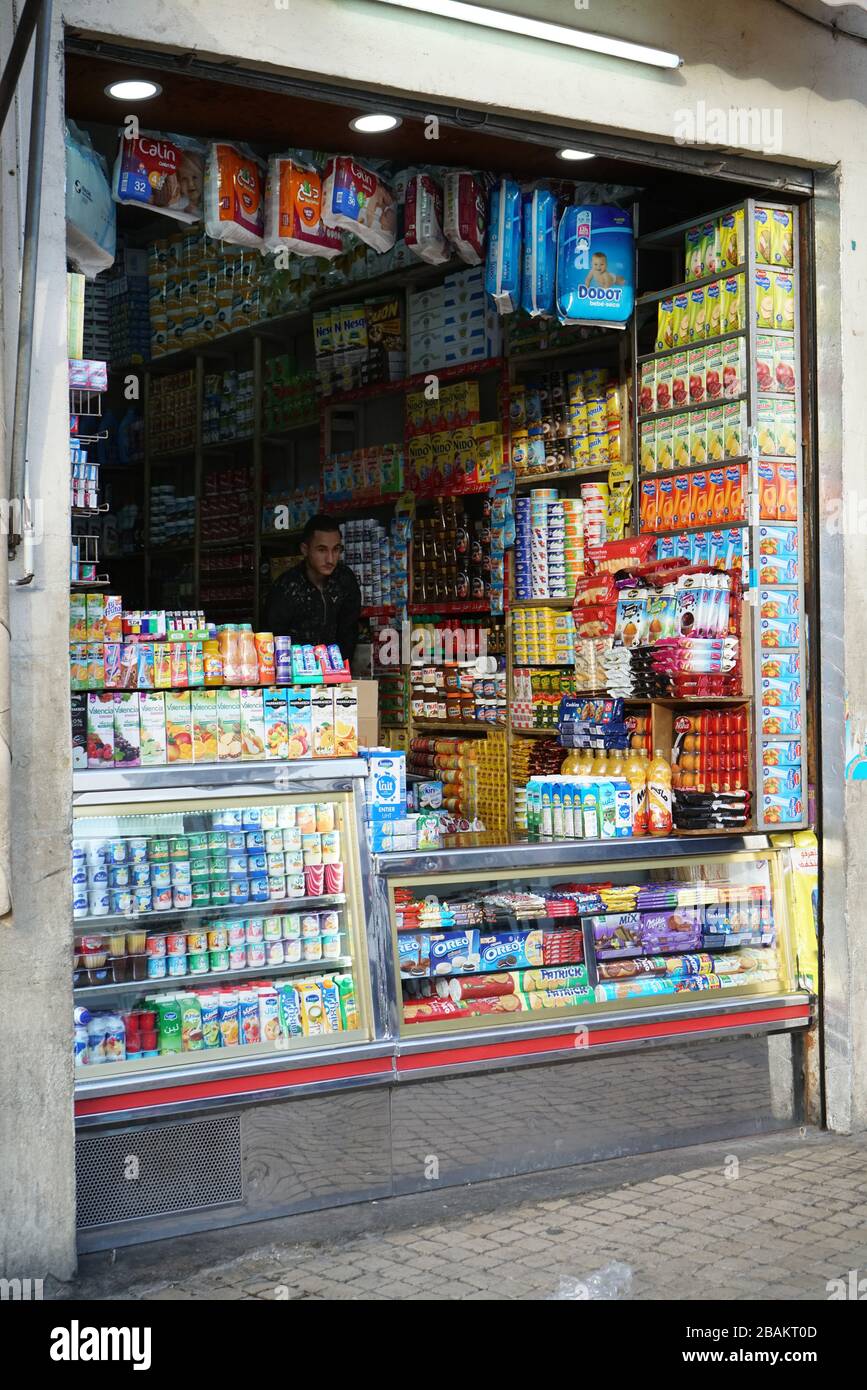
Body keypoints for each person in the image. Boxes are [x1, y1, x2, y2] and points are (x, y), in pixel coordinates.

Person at [263, 514, 362, 664]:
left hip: (335, 675)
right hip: (294, 678)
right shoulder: (287, 587)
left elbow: (349, 633)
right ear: (305, 549)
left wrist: (340, 672)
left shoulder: (345, 580)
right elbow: (270, 639)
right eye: (322, 550)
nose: (330, 559)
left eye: (336, 550)